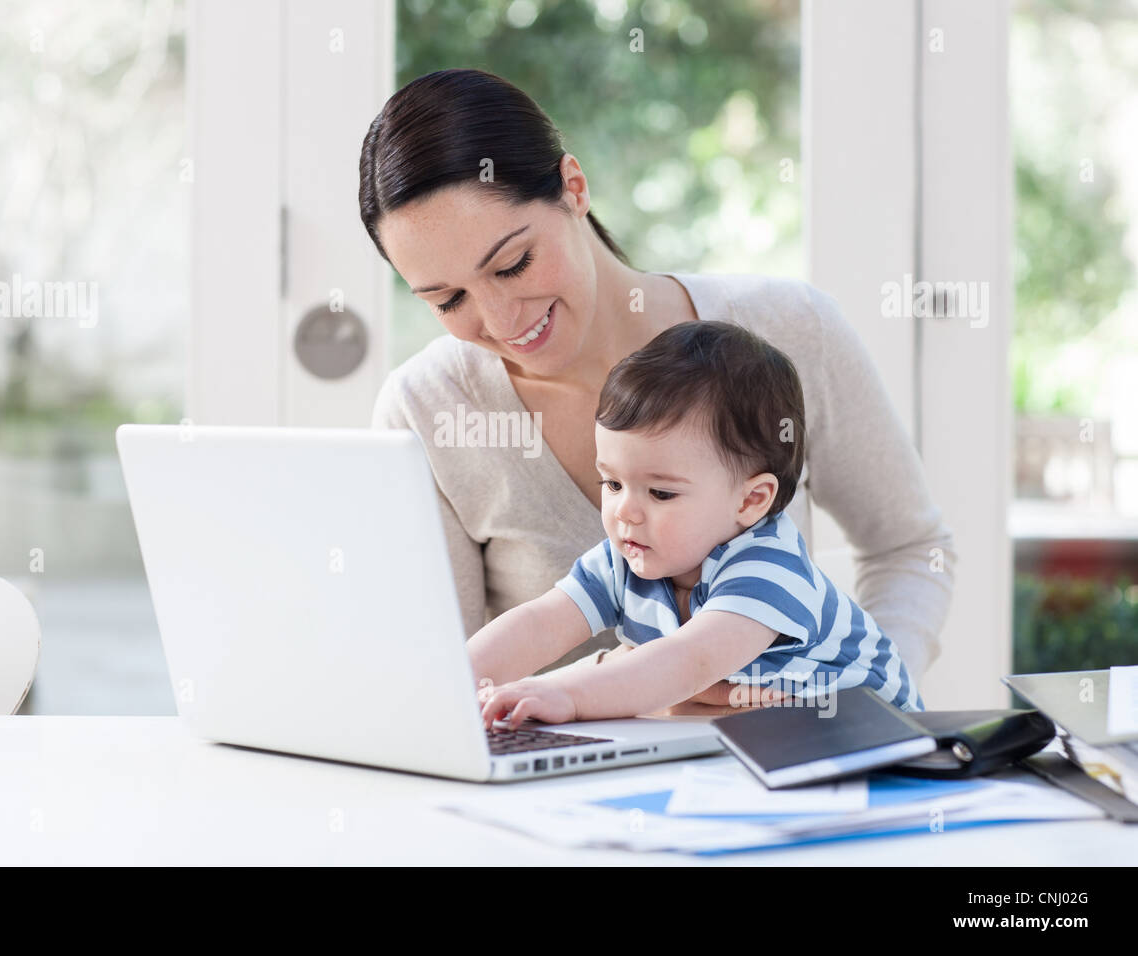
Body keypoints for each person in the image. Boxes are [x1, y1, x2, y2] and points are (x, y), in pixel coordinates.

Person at [361, 68, 955, 714]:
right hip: (567, 768)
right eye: (448, 299)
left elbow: (908, 548)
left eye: (513, 264)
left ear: (573, 188)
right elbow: (448, 671)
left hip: (805, 752)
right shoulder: (425, 410)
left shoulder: (790, 333)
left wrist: (860, 710)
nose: (501, 320)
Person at [470, 320, 924, 729]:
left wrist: (568, 696)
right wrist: (455, 680)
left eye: (661, 493)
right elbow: (540, 623)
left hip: (878, 741)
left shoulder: (769, 567)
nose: (625, 511)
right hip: (768, 746)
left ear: (751, 500)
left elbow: (688, 662)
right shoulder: (626, 557)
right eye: (612, 483)